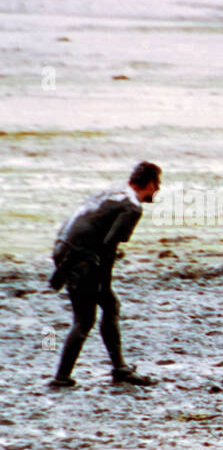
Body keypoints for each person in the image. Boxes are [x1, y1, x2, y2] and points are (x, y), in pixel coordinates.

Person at [47, 162, 162, 388]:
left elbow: (76, 225)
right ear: (149, 183)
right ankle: (62, 377)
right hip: (81, 259)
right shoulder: (132, 207)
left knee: (107, 307)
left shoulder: (110, 193)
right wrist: (105, 284)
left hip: (64, 251)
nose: (157, 190)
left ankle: (118, 368)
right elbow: (109, 246)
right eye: (157, 185)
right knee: (85, 318)